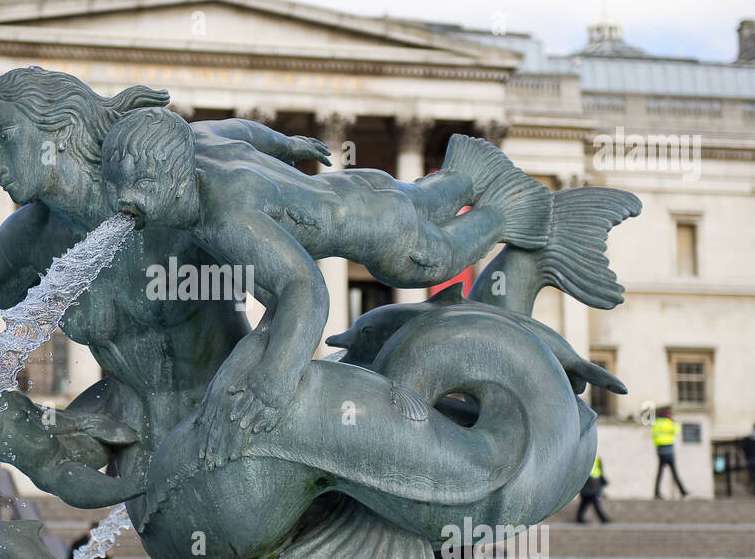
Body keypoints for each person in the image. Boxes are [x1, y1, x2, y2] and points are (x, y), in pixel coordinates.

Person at [100, 106, 551, 464]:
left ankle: (507, 213)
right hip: (365, 187)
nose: (125, 203)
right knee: (425, 196)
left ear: (175, 181)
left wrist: (273, 383)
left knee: (438, 260)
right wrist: (288, 144)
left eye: (140, 188)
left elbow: (306, 288)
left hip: (387, 238)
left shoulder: (225, 215)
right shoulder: (196, 141)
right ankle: (462, 176)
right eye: (117, 185)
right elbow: (242, 131)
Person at [652, 408, 688, 499]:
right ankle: (682, 491)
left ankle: (656, 492)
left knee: (660, 473)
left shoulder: (656, 424)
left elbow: (654, 437)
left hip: (660, 450)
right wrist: (674, 422)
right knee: (674, 472)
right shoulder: (668, 423)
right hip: (668, 450)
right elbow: (677, 430)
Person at [576, 454, 611, 523]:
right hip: (591, 486)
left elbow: (599, 472)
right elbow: (599, 472)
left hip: (591, 485)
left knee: (584, 503)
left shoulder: (589, 459)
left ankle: (579, 518)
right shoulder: (595, 459)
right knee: (593, 504)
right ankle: (603, 519)